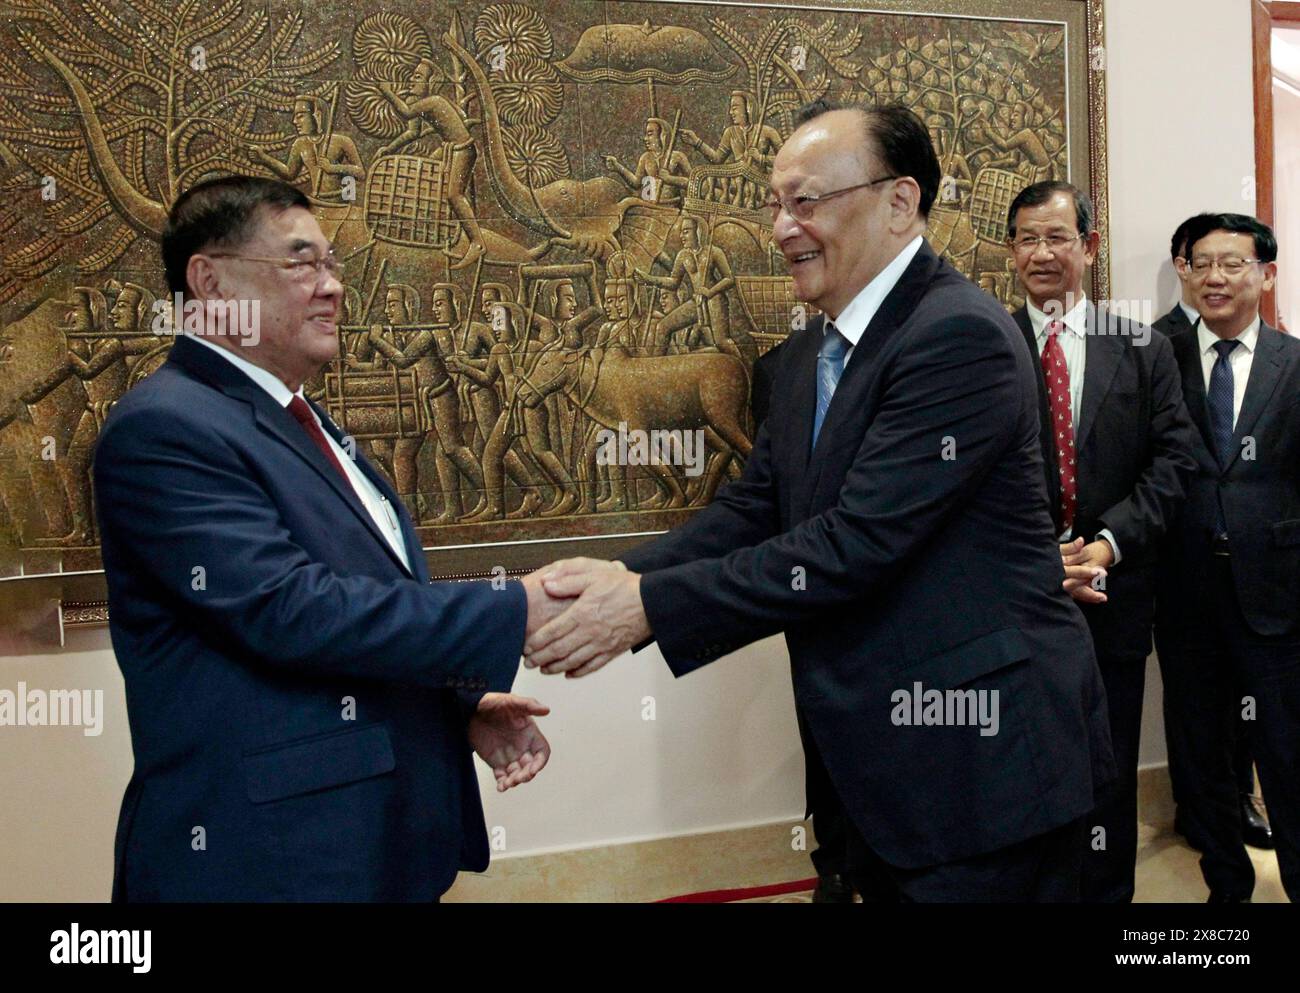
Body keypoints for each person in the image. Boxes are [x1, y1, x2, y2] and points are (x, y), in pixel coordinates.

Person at [525, 101, 1114, 902]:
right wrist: (618, 576)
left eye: (805, 201)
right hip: (868, 764)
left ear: (900, 202)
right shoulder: (808, 355)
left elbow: (854, 542)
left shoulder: (957, 336)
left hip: (978, 773)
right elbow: (761, 504)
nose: (780, 228)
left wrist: (647, 605)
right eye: (773, 203)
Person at [92, 176, 564, 901]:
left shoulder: (300, 419)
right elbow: (290, 610)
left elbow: (361, 608)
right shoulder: (165, 428)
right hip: (265, 864)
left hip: (362, 848)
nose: (332, 287)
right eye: (302, 263)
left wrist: (456, 707)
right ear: (210, 281)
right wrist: (516, 606)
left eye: (333, 265)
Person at [1005, 181, 1197, 902]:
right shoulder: (983, 347)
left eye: (1058, 236)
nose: (1043, 252)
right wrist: (1034, 557)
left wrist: (1109, 543)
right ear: (1011, 251)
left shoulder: (1142, 348)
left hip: (1113, 595)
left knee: (1106, 767)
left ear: (1089, 246)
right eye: (1028, 237)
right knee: (1016, 763)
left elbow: (1175, 461)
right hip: (1015, 597)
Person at [1154, 213, 1300, 902]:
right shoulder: (1154, 355)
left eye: (1234, 263)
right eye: (1202, 262)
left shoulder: (1294, 364)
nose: (1216, 276)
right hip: (1183, 595)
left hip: (1276, 597)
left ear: (1266, 275)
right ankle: (1226, 893)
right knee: (1203, 759)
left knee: (1288, 755)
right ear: (1184, 270)